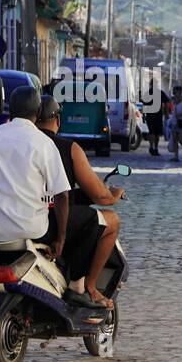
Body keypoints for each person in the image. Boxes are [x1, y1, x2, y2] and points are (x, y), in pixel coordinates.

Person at [0, 87, 91, 306]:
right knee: (91, 220)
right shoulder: (44, 143)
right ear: (38, 112)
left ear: (11, 109)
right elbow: (62, 196)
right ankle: (77, 286)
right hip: (32, 229)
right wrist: (61, 239)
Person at [35, 95, 124, 306]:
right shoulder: (68, 147)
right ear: (58, 120)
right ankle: (86, 286)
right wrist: (112, 195)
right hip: (49, 220)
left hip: (20, 214)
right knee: (110, 221)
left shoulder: (20, 143)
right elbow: (99, 195)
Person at [144, 81, 169, 156]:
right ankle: (155, 148)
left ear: (150, 85)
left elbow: (143, 104)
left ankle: (151, 147)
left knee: (151, 132)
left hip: (150, 115)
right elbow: (166, 102)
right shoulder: (160, 92)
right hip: (158, 115)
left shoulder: (147, 93)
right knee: (157, 133)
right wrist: (166, 113)